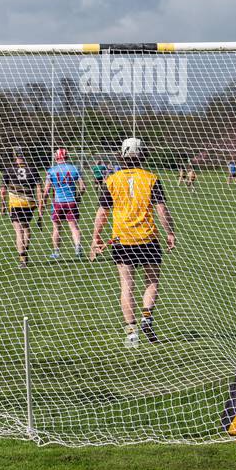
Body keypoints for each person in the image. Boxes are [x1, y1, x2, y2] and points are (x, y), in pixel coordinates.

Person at [90, 137, 176, 348]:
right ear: (142, 155)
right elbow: (162, 210)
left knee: (127, 286)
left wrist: (95, 236)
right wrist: (171, 232)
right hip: (147, 239)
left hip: (122, 239)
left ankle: (131, 333)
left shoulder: (112, 180)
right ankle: (147, 317)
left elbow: (102, 212)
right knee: (152, 282)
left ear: (122, 156)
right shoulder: (151, 178)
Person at [0, 152, 43, 268]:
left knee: (18, 231)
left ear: (15, 157)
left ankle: (22, 259)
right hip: (29, 203)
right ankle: (26, 254)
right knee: (26, 227)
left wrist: (3, 205)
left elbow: (3, 191)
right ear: (24, 156)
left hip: (15, 204)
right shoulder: (33, 170)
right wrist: (40, 207)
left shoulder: (9, 170)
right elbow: (39, 190)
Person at [44, 147, 85, 259]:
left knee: (56, 228)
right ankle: (77, 248)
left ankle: (56, 252)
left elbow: (47, 190)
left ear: (56, 157)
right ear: (66, 156)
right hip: (71, 201)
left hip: (58, 202)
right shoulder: (75, 168)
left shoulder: (51, 170)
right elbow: (83, 187)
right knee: (74, 226)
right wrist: (78, 197)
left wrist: (43, 201)